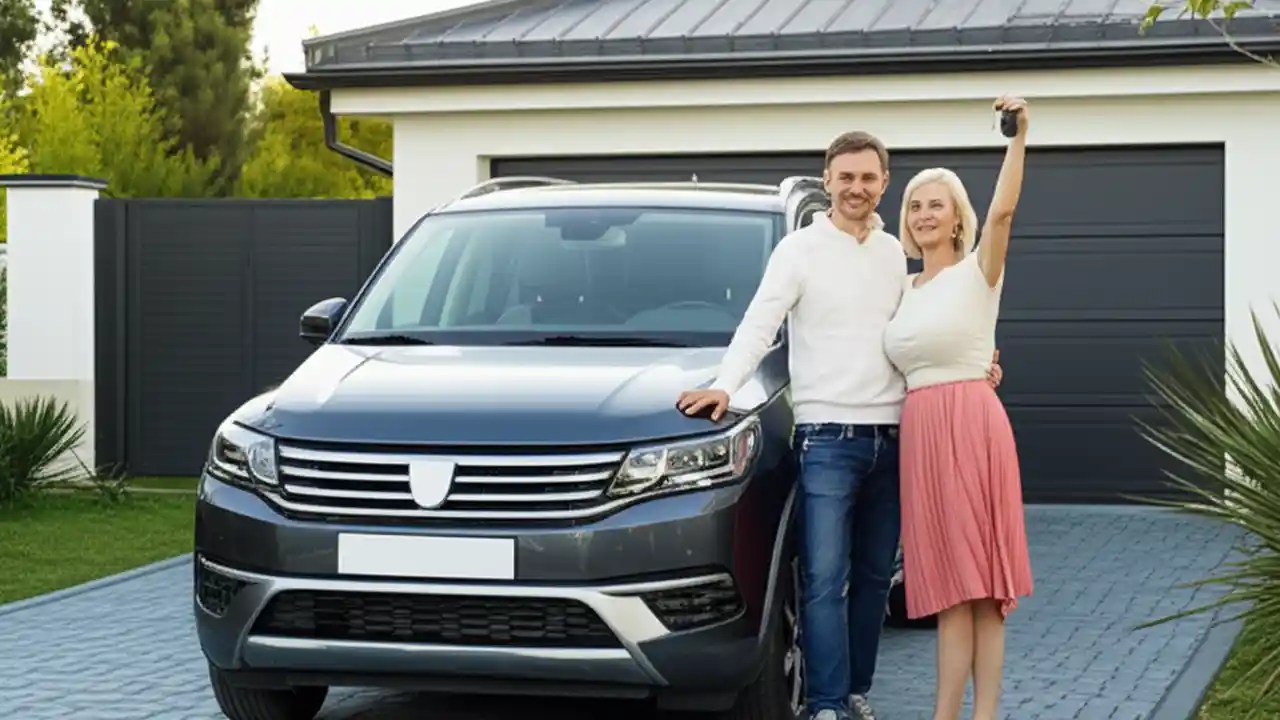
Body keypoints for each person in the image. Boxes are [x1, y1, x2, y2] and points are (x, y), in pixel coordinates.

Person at [676, 131, 1001, 720]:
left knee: (875, 579)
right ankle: (826, 704)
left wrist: (976, 362)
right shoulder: (798, 250)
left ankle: (855, 691)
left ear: (884, 183)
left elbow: (924, 326)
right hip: (827, 440)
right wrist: (725, 384)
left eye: (868, 178)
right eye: (846, 177)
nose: (857, 188)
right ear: (827, 180)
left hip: (895, 439)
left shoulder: (893, 255)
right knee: (826, 578)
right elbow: (760, 322)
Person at [882, 95, 1035, 720]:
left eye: (935, 205)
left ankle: (984, 715)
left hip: (972, 426)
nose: (923, 214)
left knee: (986, 592)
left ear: (955, 220)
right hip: (921, 433)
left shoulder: (979, 272)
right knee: (949, 589)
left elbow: (1003, 212)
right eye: (914, 206)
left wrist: (1018, 137)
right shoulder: (899, 287)